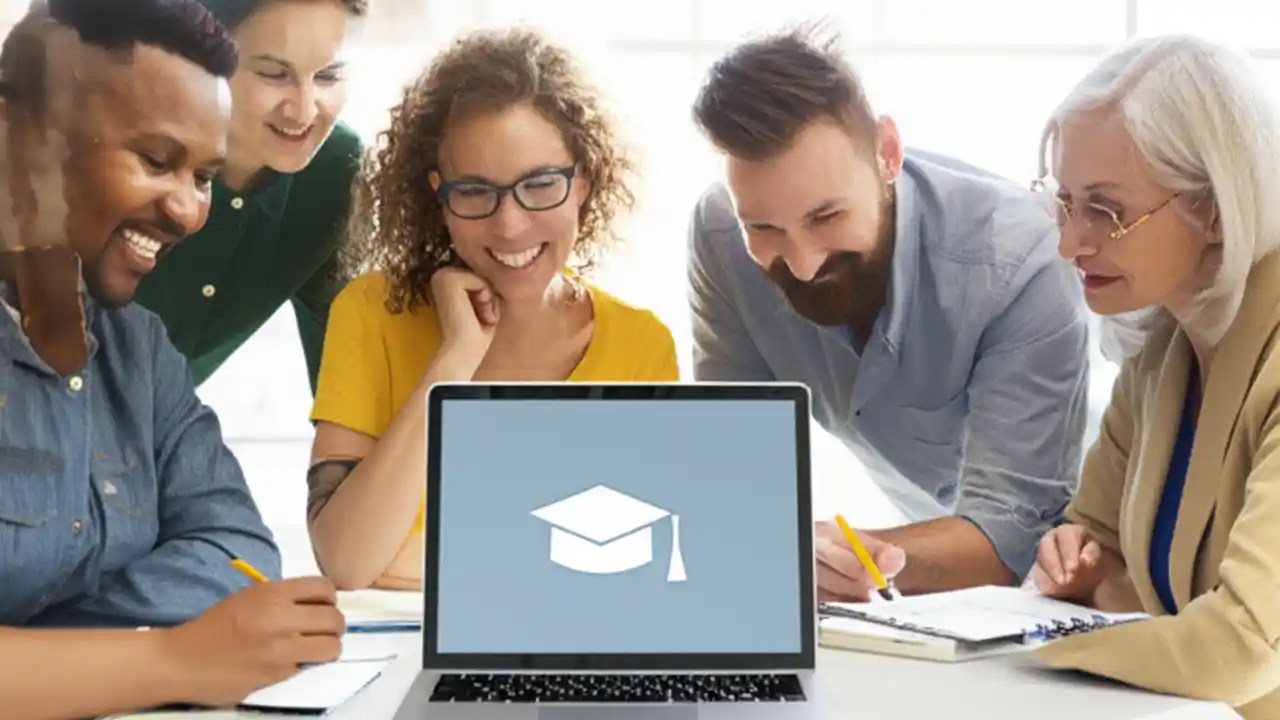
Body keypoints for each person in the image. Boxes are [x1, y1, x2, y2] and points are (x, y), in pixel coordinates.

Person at [0, 2, 343, 717]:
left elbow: (237, 550)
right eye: (156, 160)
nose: (189, 212)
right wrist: (169, 657)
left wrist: (41, 665)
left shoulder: (139, 350)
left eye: (205, 176)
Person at [687, 28, 1090, 601]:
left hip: (1085, 564)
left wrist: (832, 557)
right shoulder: (720, 233)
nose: (801, 264)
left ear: (888, 154)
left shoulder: (1018, 258)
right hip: (932, 570)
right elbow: (736, 459)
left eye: (825, 216)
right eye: (766, 228)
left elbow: (1011, 534)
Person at [306, 28, 680, 591]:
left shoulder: (642, 345)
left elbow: (639, 567)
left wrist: (416, 559)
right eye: (476, 191)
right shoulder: (371, 312)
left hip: (572, 652)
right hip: (403, 658)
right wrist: (451, 365)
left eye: (539, 185)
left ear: (583, 181)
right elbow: (348, 563)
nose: (509, 225)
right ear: (439, 193)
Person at [1028, 35, 1280, 719]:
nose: (1069, 242)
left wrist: (1036, 646)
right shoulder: (1162, 350)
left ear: (1215, 208)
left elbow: (1242, 648)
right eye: (1066, 202)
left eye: (1106, 212)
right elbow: (1093, 553)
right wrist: (1075, 568)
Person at [132, 0, 366, 392]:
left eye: (328, 76)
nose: (304, 110)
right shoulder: (107, 147)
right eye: (274, 74)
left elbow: (348, 392)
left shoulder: (334, 172)